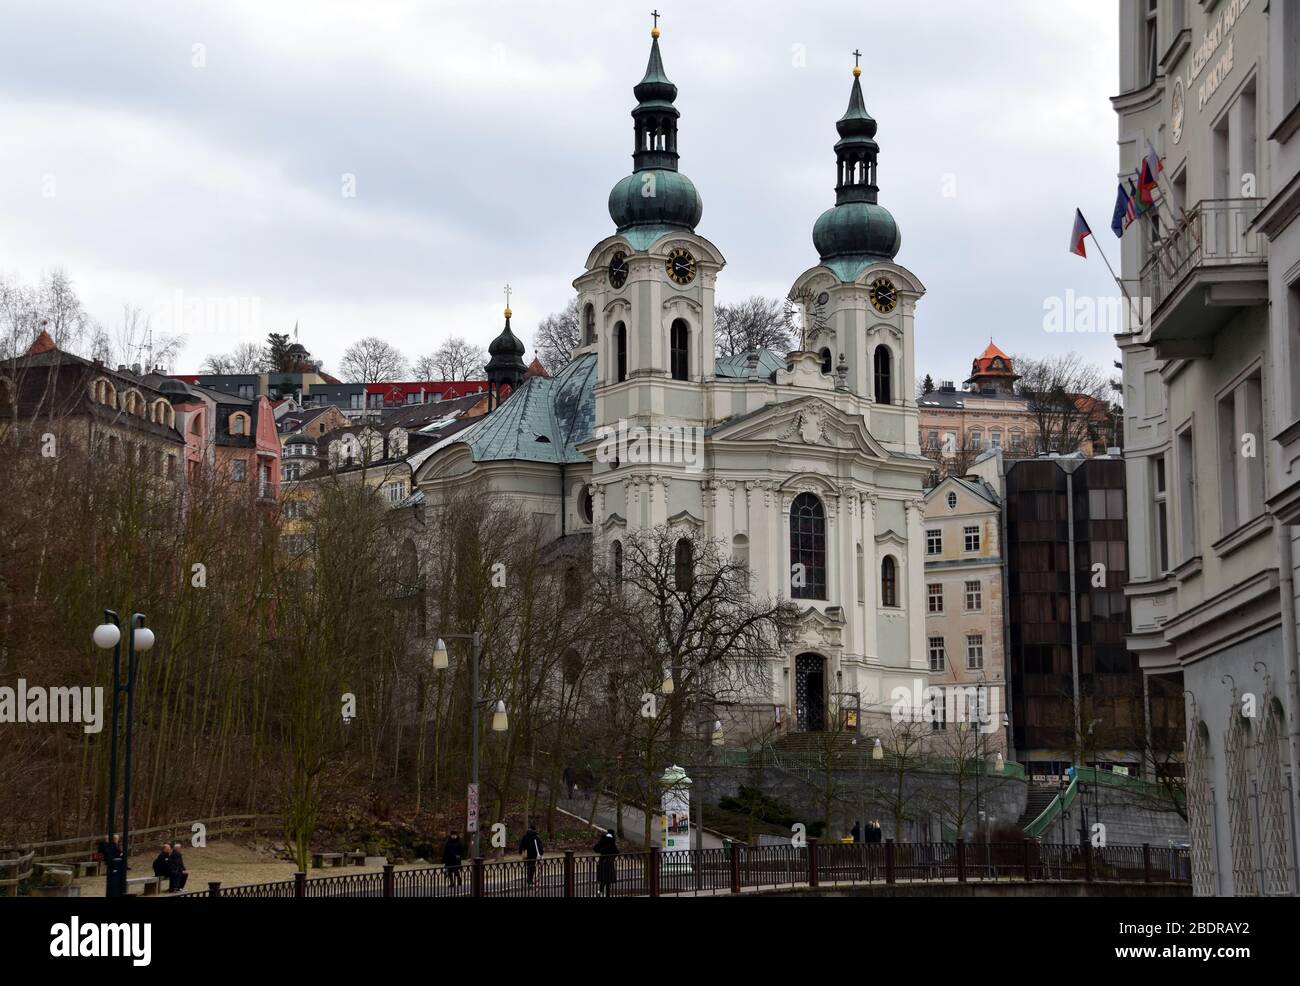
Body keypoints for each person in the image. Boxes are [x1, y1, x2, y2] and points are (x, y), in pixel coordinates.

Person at [592, 830, 619, 897]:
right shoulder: (612, 841)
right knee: (608, 878)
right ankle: (606, 893)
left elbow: (595, 848)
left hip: (602, 860)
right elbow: (616, 852)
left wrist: (601, 850)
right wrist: (613, 858)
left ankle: (600, 891)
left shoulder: (603, 840)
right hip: (609, 861)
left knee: (603, 877)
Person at [518, 821, 543, 889]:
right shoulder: (536, 837)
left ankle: (529, 880)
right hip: (534, 854)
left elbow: (521, 845)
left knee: (529, 866)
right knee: (532, 867)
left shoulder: (525, 836)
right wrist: (541, 853)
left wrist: (520, 852)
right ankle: (530, 880)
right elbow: (539, 846)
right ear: (534, 830)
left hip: (527, 854)